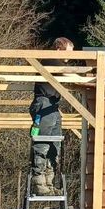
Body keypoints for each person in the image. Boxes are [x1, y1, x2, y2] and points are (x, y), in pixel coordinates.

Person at [29, 37, 74, 196]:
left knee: (54, 145)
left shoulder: (58, 65)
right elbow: (70, 76)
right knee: (42, 143)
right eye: (69, 52)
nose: (71, 57)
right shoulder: (51, 60)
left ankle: (48, 183)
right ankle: (39, 183)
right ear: (59, 49)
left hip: (53, 106)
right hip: (44, 104)